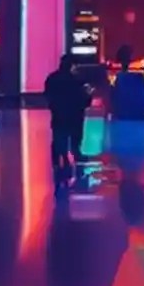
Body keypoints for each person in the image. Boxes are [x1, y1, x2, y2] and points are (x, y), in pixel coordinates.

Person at [44, 54, 92, 190]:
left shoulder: (52, 78)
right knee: (75, 139)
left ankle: (59, 159)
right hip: (75, 116)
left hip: (59, 115)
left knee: (59, 137)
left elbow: (48, 95)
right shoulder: (78, 81)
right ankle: (73, 158)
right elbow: (86, 98)